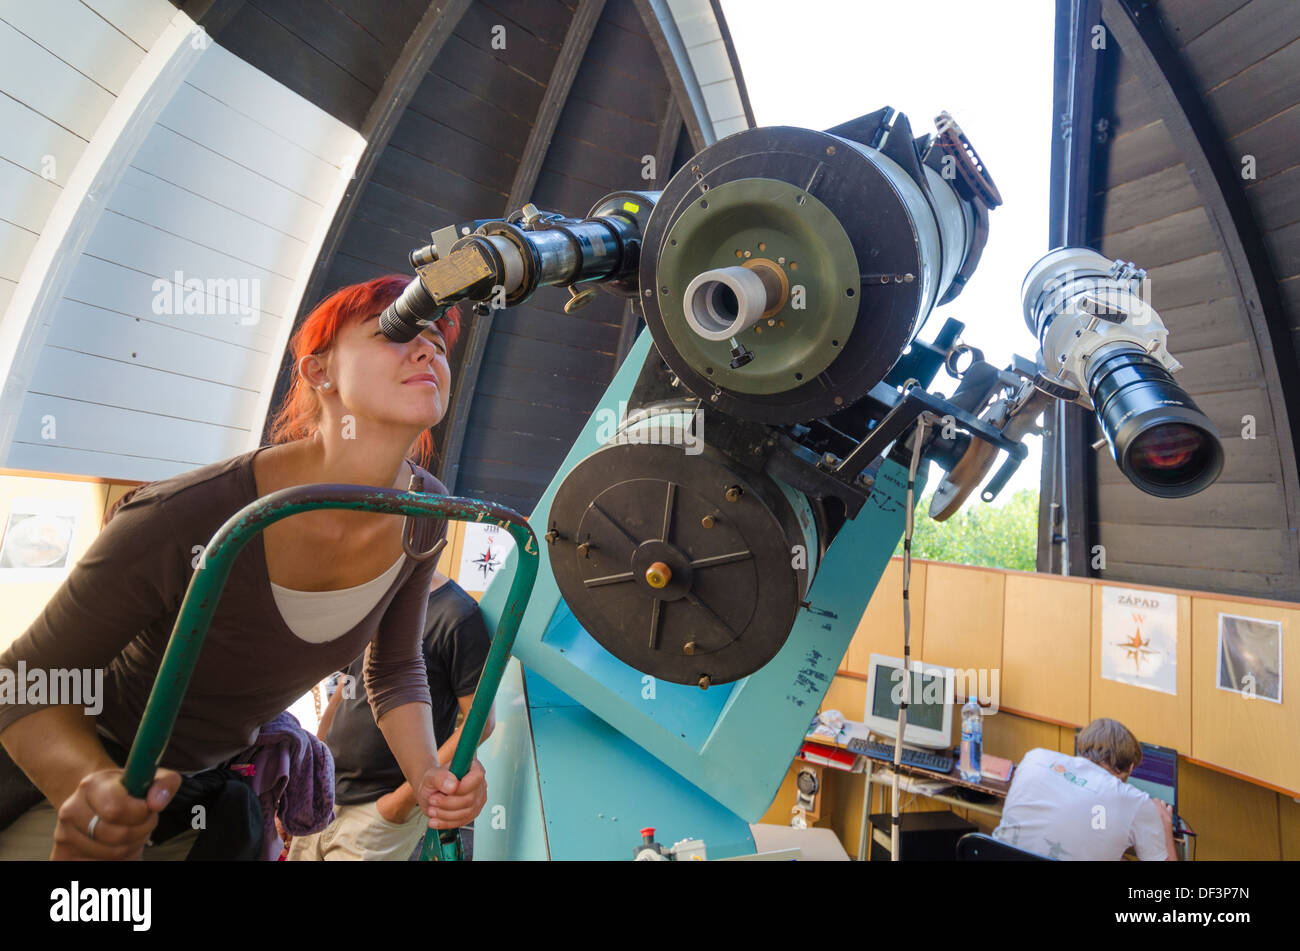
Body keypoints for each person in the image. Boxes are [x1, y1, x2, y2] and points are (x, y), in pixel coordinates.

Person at [0, 277, 487, 860]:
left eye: (436, 339)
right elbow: (21, 681)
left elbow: (395, 665)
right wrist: (88, 789)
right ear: (319, 373)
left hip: (211, 794)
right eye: (396, 330)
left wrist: (428, 773)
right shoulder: (187, 515)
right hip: (82, 779)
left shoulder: (423, 513)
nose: (427, 348)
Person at [287, 573, 495, 861]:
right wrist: (308, 771)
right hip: (325, 792)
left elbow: (481, 720)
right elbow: (347, 686)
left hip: (378, 810)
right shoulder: (376, 597)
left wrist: (401, 802)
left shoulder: (458, 614)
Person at [991, 717, 1176, 861]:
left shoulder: (1034, 758)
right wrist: (1165, 826)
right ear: (1130, 768)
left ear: (1082, 747)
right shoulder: (1137, 802)